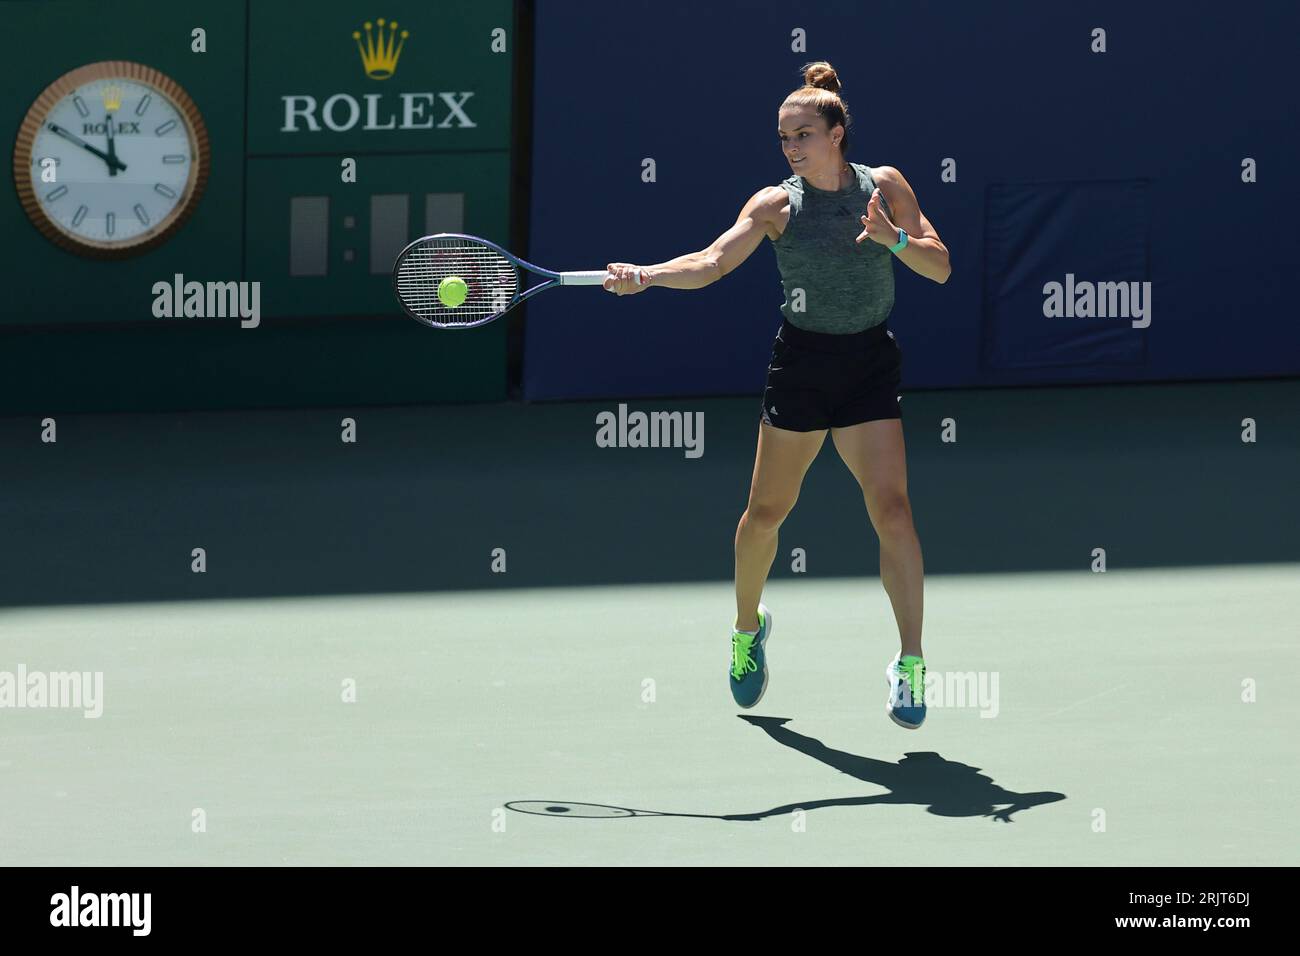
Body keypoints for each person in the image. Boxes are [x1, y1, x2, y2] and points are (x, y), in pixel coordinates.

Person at [603, 61, 950, 729]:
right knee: (764, 516)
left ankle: (910, 661)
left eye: (803, 134)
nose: (791, 147)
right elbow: (710, 262)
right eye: (783, 137)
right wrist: (644, 276)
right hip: (804, 364)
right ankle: (746, 630)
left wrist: (894, 238)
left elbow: (940, 266)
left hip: (869, 364)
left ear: (837, 132)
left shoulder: (887, 187)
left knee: (895, 512)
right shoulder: (775, 205)